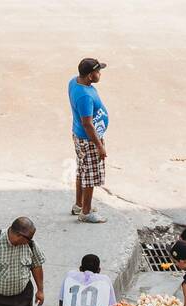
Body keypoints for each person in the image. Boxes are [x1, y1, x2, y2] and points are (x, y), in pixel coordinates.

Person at [69, 57, 109, 223]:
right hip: (89, 140)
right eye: (97, 71)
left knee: (82, 170)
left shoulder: (74, 81)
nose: (100, 74)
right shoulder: (84, 96)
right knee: (91, 176)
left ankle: (79, 204)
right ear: (90, 75)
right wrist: (99, 146)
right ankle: (85, 212)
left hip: (80, 136)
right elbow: (88, 124)